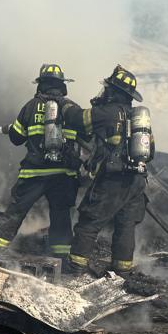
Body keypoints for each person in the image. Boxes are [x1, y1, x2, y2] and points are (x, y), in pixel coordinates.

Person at [0, 64, 87, 262]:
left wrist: (14, 129)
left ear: (41, 84)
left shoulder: (31, 106)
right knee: (61, 215)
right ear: (62, 85)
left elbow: (17, 138)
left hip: (34, 173)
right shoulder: (73, 109)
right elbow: (85, 137)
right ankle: (61, 255)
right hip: (64, 175)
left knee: (17, 211)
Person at [67, 65, 154, 276]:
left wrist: (64, 105)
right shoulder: (138, 118)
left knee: (88, 223)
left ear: (114, 92)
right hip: (136, 181)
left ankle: (76, 270)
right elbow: (150, 152)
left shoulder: (107, 113)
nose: (104, 92)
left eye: (108, 88)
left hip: (114, 179)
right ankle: (122, 272)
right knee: (125, 225)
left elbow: (77, 119)